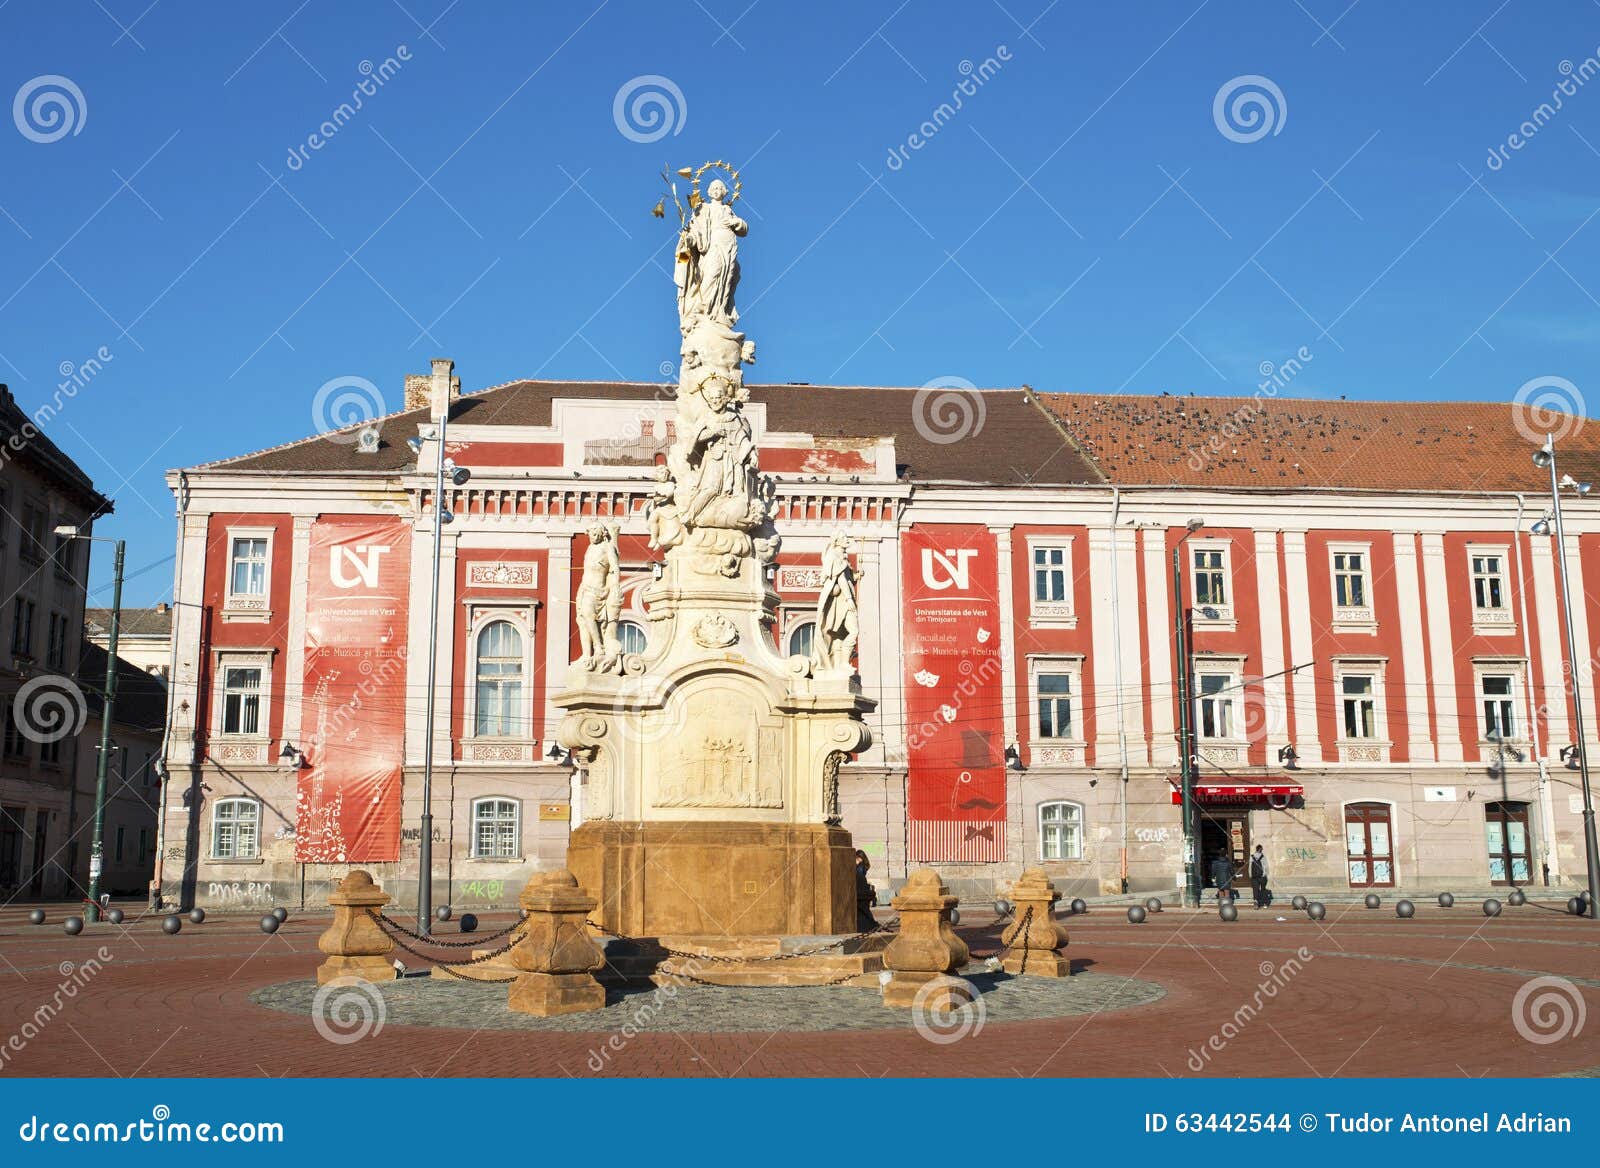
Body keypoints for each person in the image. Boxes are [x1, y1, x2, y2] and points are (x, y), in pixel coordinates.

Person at [854, 849, 877, 932]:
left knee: (863, 909)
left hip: (861, 890)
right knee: (865, 909)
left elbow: (859, 877)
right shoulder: (864, 866)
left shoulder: (860, 866)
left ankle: (871, 924)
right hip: (863, 889)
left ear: (860, 858)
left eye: (856, 858)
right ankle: (871, 923)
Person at [1249, 844, 1270, 908]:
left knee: (1255, 889)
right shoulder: (1263, 857)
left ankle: (1256, 902)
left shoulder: (1251, 856)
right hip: (1262, 876)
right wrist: (1266, 874)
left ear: (1256, 849)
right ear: (1261, 849)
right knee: (1263, 889)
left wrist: (1250, 875)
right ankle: (1264, 903)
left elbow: (1250, 867)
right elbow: (1266, 867)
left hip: (1254, 876)